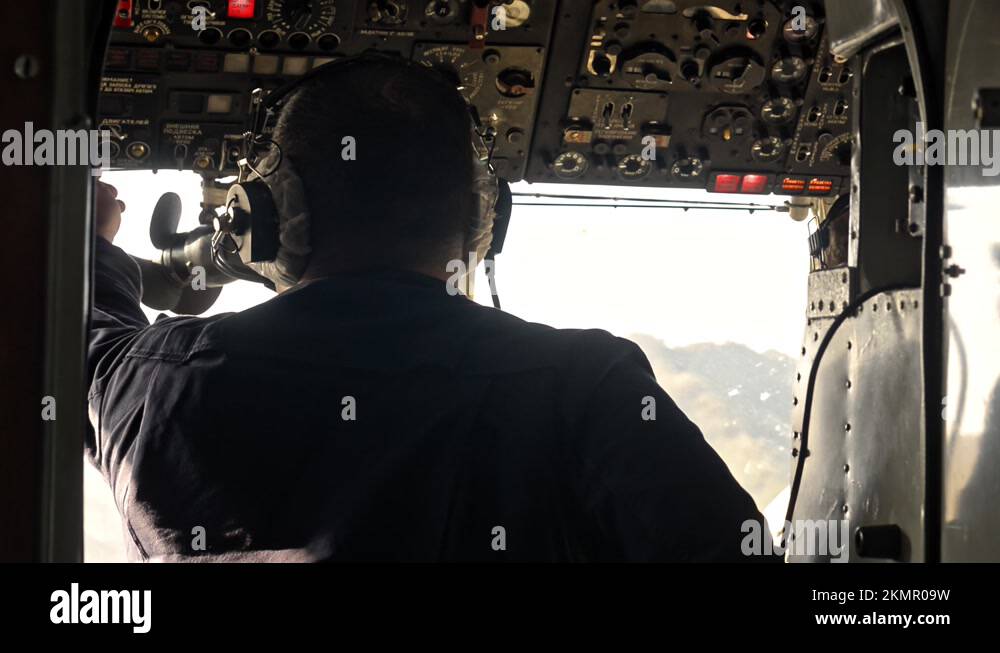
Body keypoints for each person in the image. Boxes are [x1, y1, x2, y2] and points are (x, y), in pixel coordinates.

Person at [88, 54, 772, 562]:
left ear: (272, 216)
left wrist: (90, 238)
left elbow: (77, 324)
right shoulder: (590, 390)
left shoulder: (158, 383)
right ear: (483, 222)